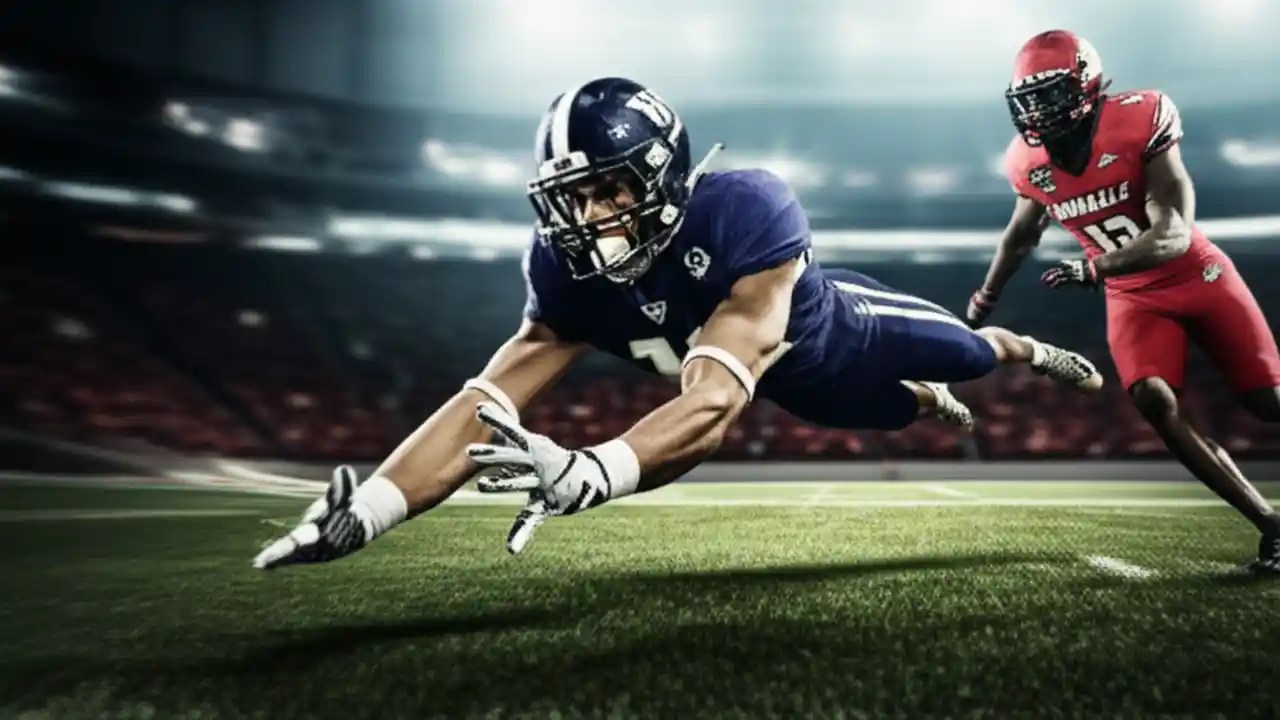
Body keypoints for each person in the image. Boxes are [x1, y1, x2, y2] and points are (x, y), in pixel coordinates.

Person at [254, 77, 1101, 567]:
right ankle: (925, 402)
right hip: (801, 391)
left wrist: (598, 469)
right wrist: (371, 510)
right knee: (894, 410)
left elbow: (716, 400)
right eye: (569, 199)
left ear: (662, 176)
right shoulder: (566, 272)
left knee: (969, 356)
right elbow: (486, 400)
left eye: (606, 191)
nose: (585, 220)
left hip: (847, 329)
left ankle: (1024, 345)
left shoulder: (744, 211)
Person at [965, 30, 1280, 573]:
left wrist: (1095, 266)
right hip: (1133, 296)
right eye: (1029, 98)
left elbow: (1175, 233)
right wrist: (984, 296)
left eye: (1050, 93)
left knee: (1267, 402)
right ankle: (1271, 526)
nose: (1038, 110)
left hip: (1194, 274)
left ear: (1086, 84)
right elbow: (1020, 235)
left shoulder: (1140, 118)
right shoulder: (1027, 161)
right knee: (1153, 399)